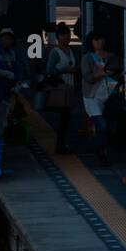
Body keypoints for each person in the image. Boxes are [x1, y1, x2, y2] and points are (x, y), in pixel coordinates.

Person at [81, 31, 118, 163]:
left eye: (101, 39)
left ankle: (104, 146)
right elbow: (88, 77)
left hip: (109, 94)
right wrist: (103, 73)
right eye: (95, 40)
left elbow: (117, 72)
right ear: (91, 42)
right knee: (102, 125)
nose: (99, 43)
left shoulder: (112, 56)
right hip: (92, 95)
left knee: (108, 124)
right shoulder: (87, 58)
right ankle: (101, 151)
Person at [43, 22, 78, 153]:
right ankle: (60, 145)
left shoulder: (71, 50)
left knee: (67, 118)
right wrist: (65, 69)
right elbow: (49, 70)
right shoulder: (55, 52)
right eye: (63, 35)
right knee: (63, 118)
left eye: (68, 35)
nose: (67, 38)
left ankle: (62, 144)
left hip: (70, 87)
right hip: (60, 88)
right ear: (58, 37)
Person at [8, 0, 47, 74]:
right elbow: (12, 18)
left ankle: (36, 82)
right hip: (21, 36)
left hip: (35, 35)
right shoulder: (15, 1)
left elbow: (43, 16)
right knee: (23, 62)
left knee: (36, 61)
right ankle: (26, 82)